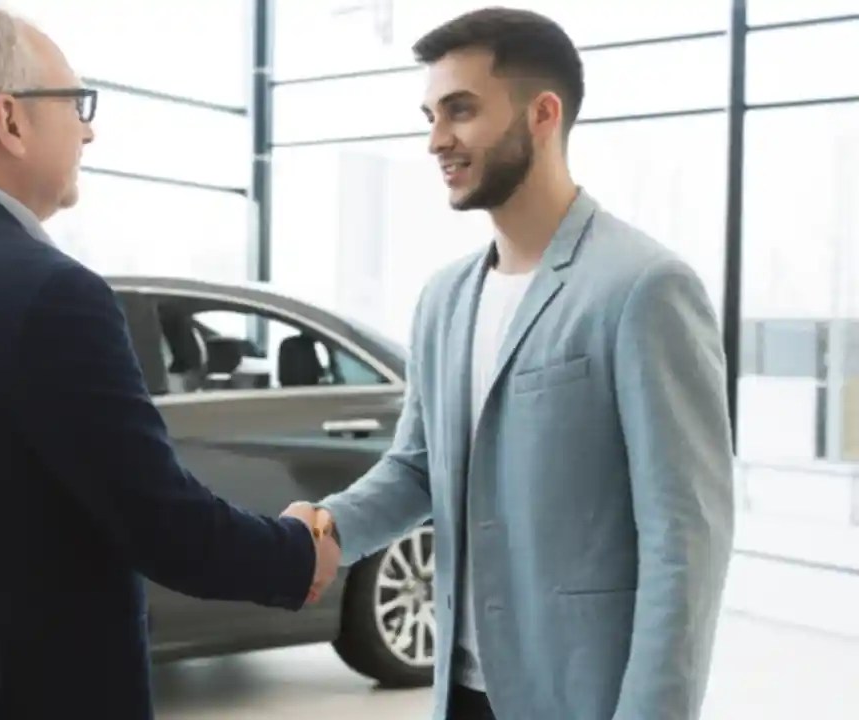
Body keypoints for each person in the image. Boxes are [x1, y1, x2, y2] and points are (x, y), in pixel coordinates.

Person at [0, 6, 338, 719]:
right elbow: (160, 524)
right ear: (11, 120)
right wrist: (297, 553)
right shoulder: (47, 292)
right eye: (76, 104)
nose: (89, 128)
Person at [294, 7, 734, 720]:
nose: (437, 139)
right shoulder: (444, 298)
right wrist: (326, 530)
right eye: (431, 115)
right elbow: (417, 467)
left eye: (460, 111)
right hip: (461, 690)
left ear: (543, 114)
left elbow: (685, 541)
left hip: (582, 699)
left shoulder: (644, 287)